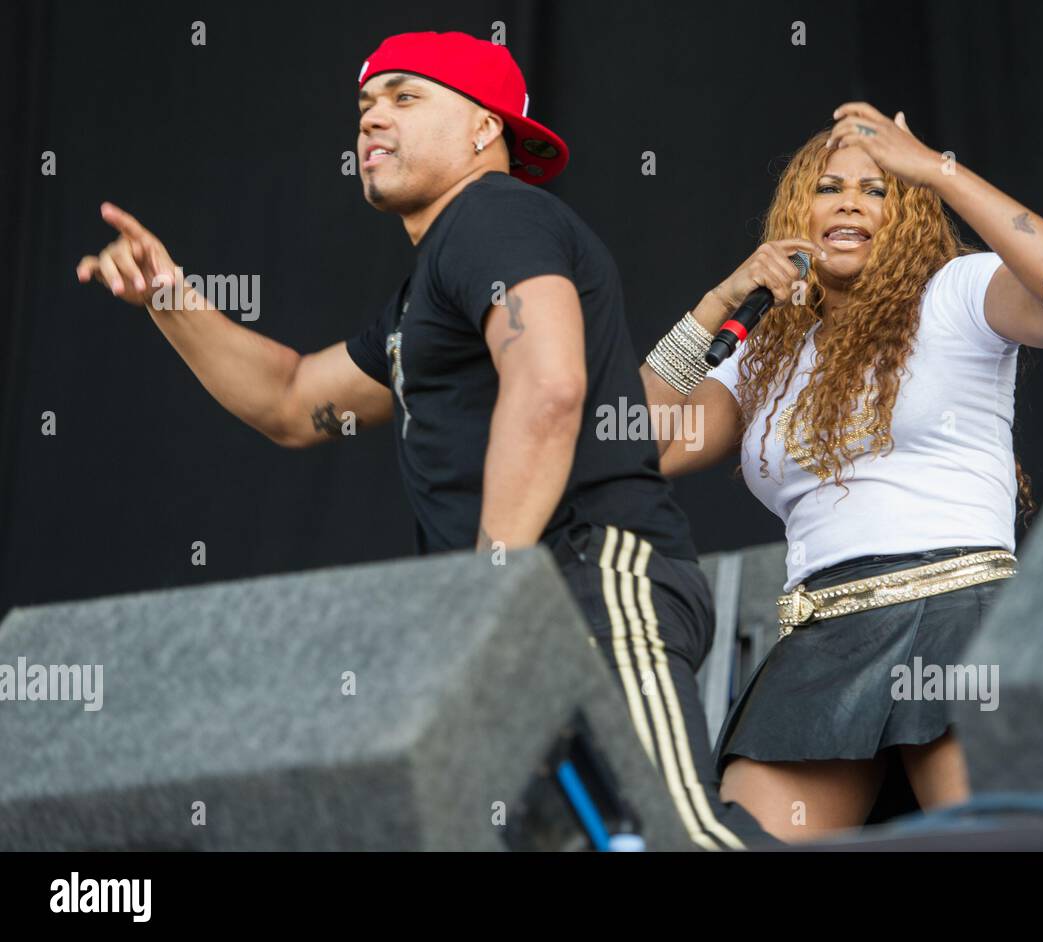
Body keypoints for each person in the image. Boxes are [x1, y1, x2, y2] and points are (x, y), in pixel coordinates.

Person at [75, 31, 772, 851]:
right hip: (532, 597)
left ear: (485, 129)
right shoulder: (426, 297)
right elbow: (295, 401)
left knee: (676, 839)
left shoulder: (494, 214)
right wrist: (168, 296)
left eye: (405, 97)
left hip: (587, 575)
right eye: (366, 105)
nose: (372, 120)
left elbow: (548, 386)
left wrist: (487, 593)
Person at [640, 102, 1043, 843]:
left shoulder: (954, 293)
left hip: (957, 613)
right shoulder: (764, 353)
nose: (852, 200)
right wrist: (715, 305)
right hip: (821, 637)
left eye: (880, 187)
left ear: (910, 212)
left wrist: (936, 169)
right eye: (830, 187)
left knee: (1001, 842)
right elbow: (638, 445)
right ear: (800, 210)